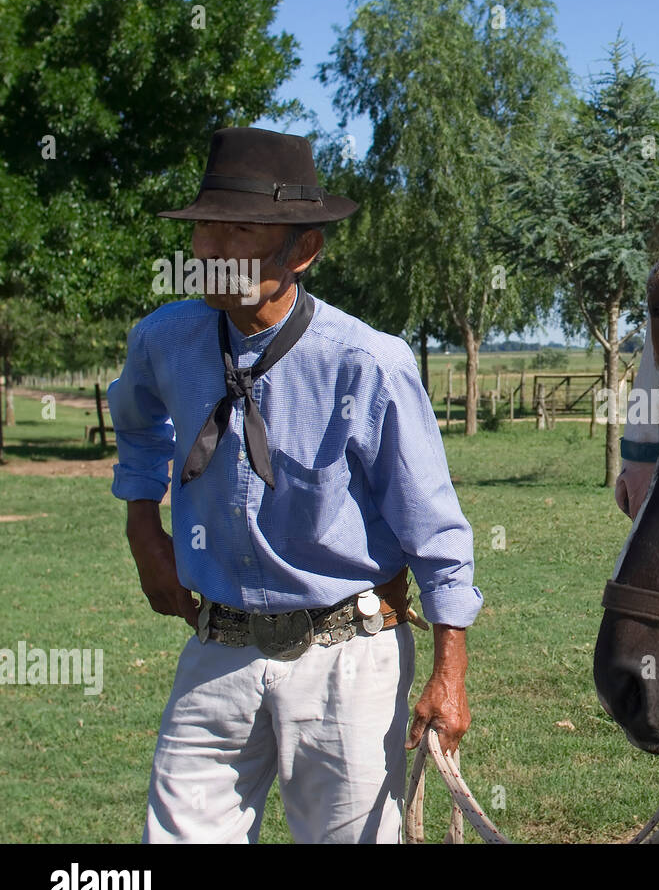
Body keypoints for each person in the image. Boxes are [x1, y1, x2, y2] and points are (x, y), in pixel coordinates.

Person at [108, 126, 481, 843]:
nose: (211, 253)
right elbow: (137, 422)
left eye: (239, 229)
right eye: (204, 230)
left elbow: (434, 529)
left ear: (301, 251)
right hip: (216, 645)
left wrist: (449, 673)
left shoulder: (366, 364)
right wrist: (141, 528)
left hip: (348, 654)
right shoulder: (164, 341)